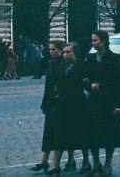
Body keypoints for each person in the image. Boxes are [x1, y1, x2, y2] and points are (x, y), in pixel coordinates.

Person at [84, 30, 120, 177]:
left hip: (110, 102)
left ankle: (108, 163)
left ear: (103, 41)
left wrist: (119, 105)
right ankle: (96, 162)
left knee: (109, 135)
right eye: (92, 40)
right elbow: (85, 78)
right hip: (94, 102)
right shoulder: (90, 58)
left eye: (95, 40)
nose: (93, 43)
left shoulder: (115, 58)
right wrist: (90, 86)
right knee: (92, 134)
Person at [50, 42, 90, 174]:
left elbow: (86, 84)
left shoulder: (83, 66)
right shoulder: (61, 66)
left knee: (82, 133)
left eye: (69, 52)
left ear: (76, 53)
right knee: (63, 133)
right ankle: (63, 162)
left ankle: (86, 161)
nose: (66, 55)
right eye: (64, 52)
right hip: (63, 104)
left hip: (78, 104)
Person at [31, 41, 64, 173]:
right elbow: (47, 85)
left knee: (57, 132)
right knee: (48, 131)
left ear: (60, 50)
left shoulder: (63, 64)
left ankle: (55, 163)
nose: (51, 52)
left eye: (54, 49)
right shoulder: (51, 63)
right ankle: (44, 159)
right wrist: (44, 103)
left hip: (60, 102)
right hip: (51, 101)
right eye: (50, 49)